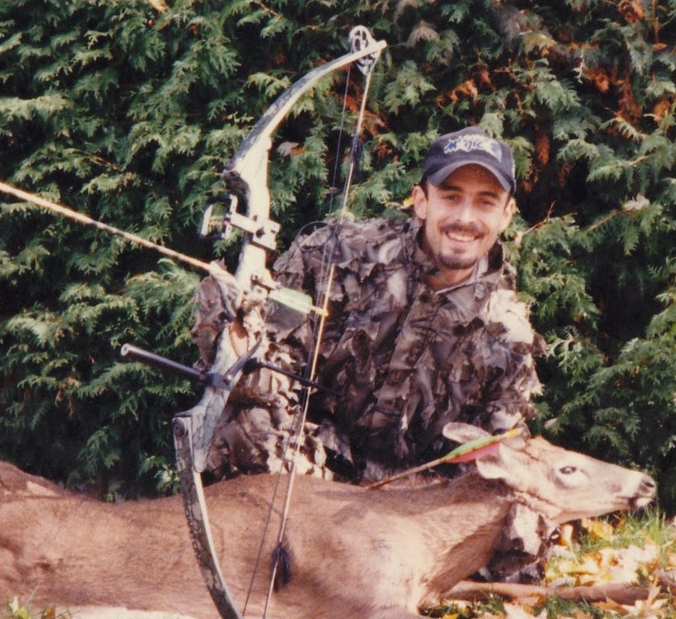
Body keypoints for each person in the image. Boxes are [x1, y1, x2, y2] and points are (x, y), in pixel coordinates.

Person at [193, 126, 550, 580]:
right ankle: (260, 566)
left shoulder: (509, 338)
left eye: (485, 202)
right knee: (251, 424)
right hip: (303, 465)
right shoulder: (335, 254)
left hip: (404, 505)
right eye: (451, 196)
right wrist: (233, 333)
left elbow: (491, 460)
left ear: (506, 215)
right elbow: (266, 360)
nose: (465, 217)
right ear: (421, 201)